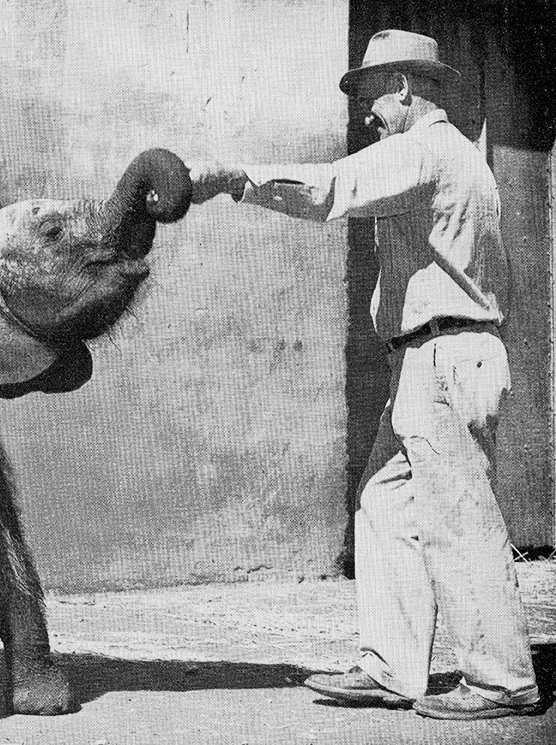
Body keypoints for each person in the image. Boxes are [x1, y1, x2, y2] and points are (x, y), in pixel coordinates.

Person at [190, 29, 539, 720]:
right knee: (383, 500)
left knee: (457, 519)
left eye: (371, 95)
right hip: (430, 356)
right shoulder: (453, 155)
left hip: (442, 354)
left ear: (405, 89)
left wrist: (237, 179)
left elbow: (332, 189)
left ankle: (501, 679)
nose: (364, 112)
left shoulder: (423, 150)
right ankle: (391, 667)